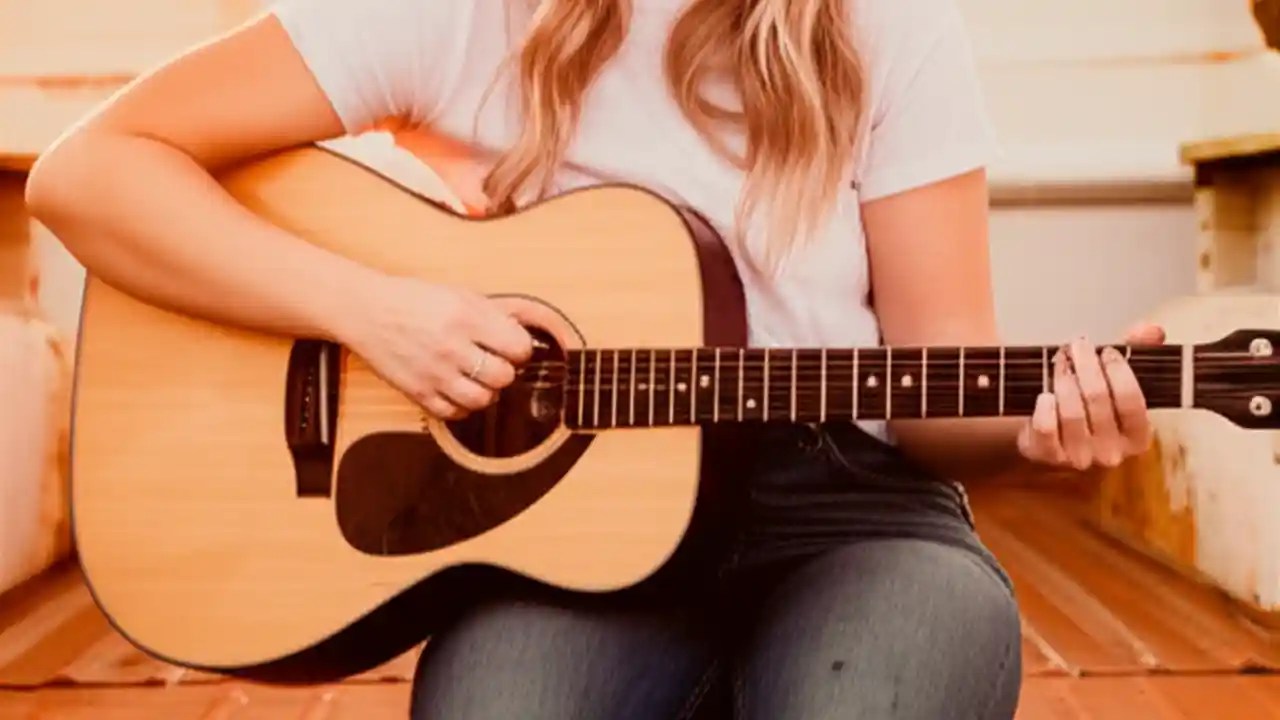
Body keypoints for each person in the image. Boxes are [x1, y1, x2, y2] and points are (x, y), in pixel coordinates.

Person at [25, 0, 1164, 717]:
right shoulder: (457, 13)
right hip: (569, 537)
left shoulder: (887, 24)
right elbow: (89, 174)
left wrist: (1033, 428)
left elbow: (935, 388)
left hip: (849, 514)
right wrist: (372, 313)